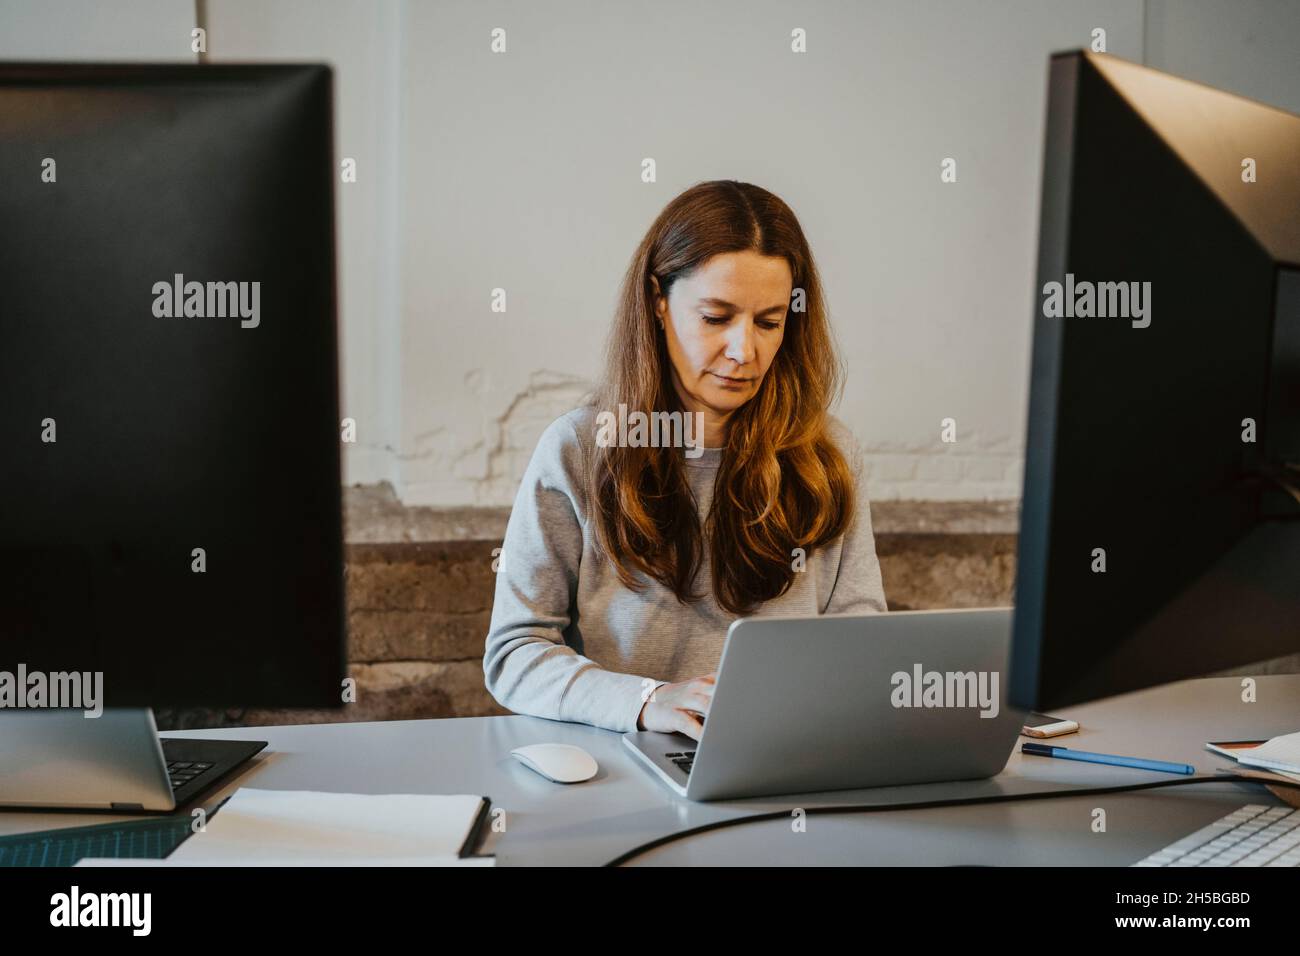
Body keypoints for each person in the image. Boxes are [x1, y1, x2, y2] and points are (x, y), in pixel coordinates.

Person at [483, 180, 886, 741]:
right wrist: (648, 701)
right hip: (629, 757)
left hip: (787, 753)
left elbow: (859, 640)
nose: (745, 352)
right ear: (658, 301)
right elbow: (514, 654)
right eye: (716, 317)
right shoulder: (578, 449)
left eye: (769, 322)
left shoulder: (828, 454)